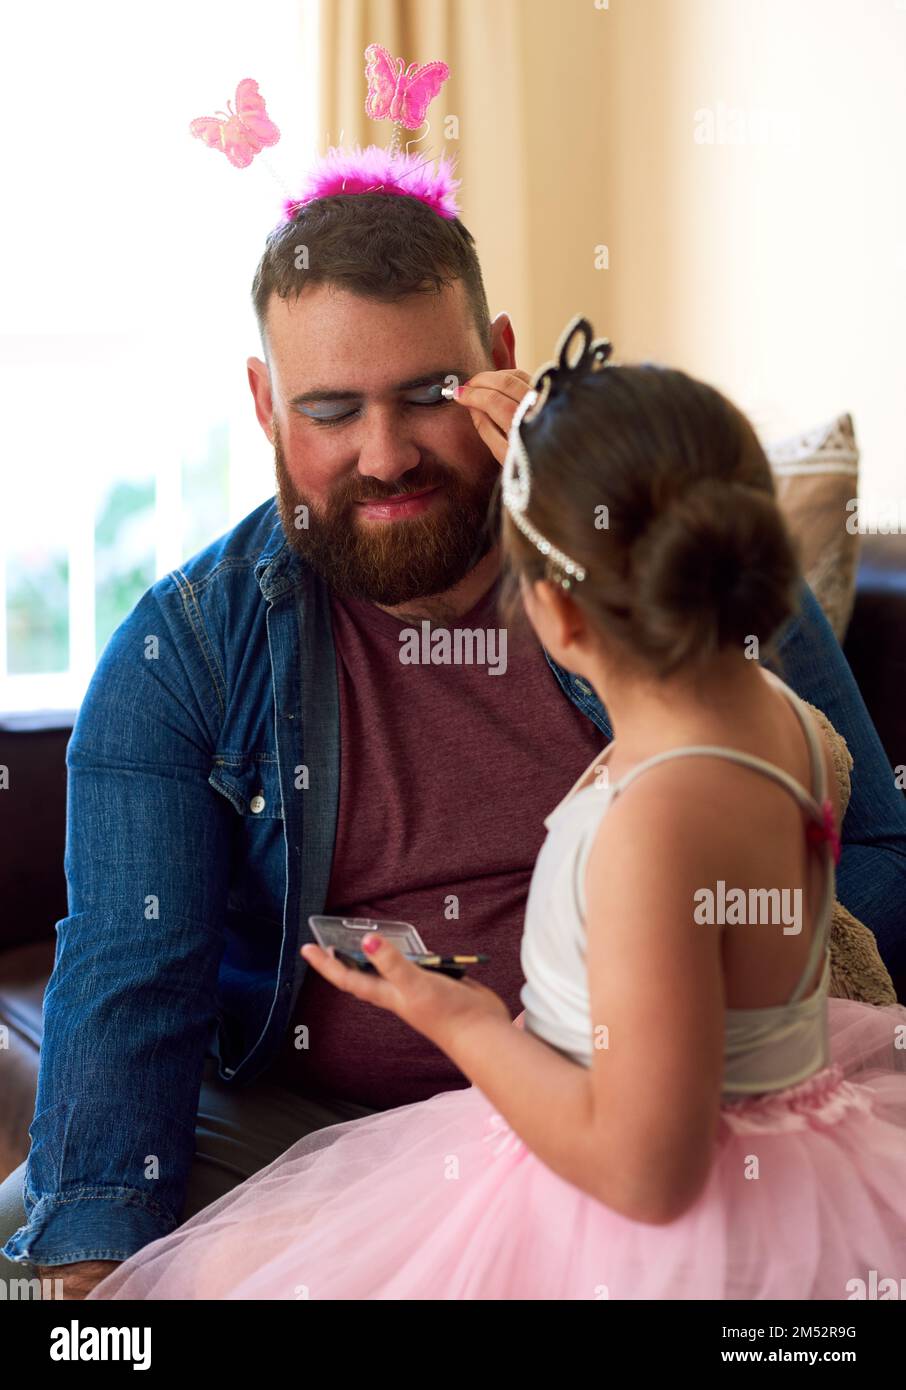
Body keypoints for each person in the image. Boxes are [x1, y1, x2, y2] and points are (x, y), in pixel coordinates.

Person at [2, 185, 905, 1301]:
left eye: (427, 393)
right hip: (306, 1120)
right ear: (263, 402)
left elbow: (868, 857)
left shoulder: (675, 564)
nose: (385, 457)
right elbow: (129, 985)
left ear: (500, 360)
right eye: (330, 410)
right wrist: (88, 1277)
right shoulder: (184, 649)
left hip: (664, 1113)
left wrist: (716, 1048)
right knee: (40, 1243)